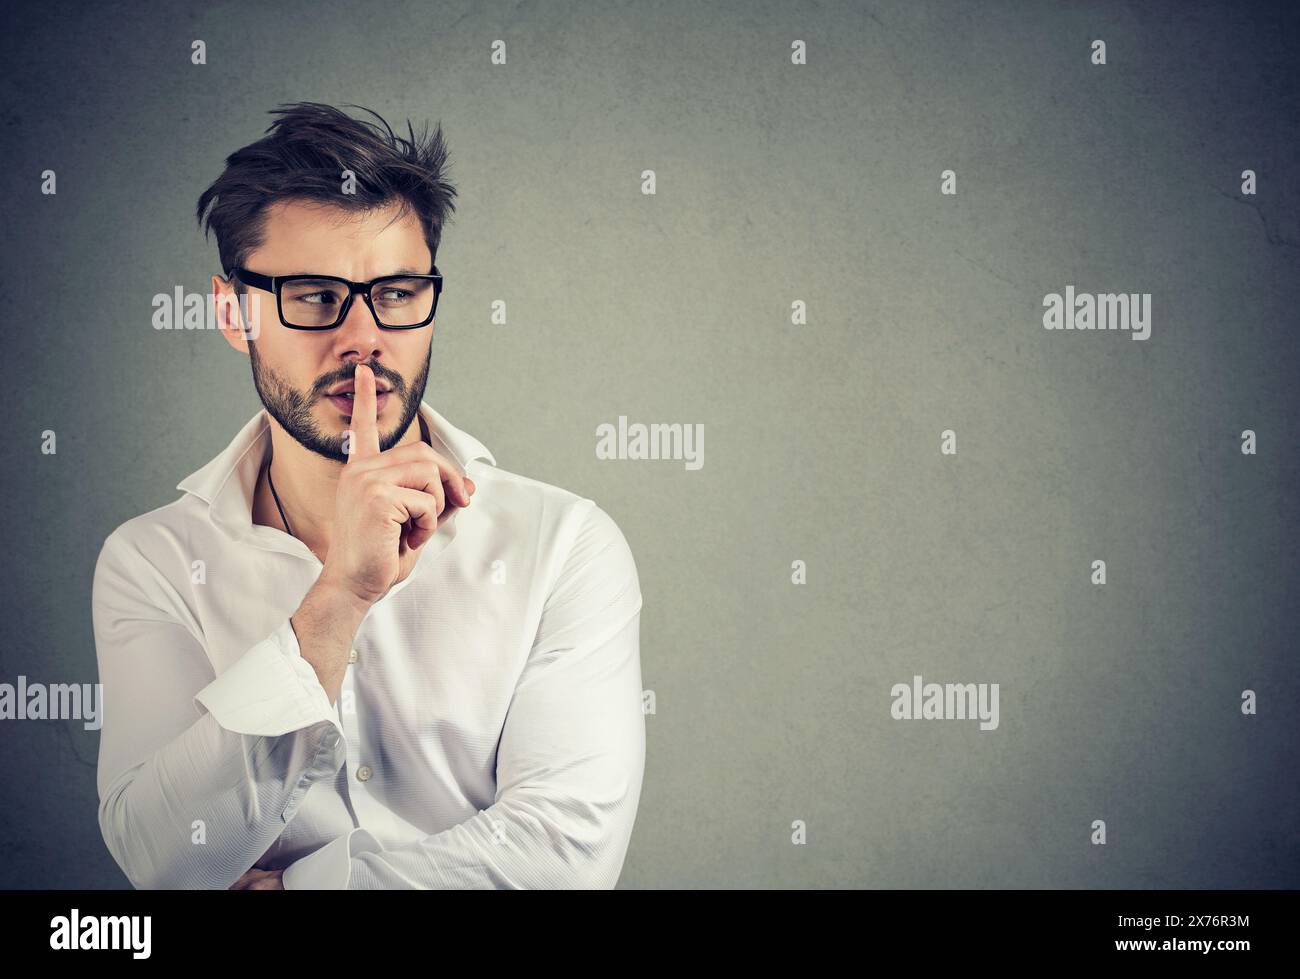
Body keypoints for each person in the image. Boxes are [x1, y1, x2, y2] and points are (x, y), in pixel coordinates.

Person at [91, 102, 645, 889]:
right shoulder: (153, 562)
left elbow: (563, 855)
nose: (365, 338)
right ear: (231, 311)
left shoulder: (563, 546)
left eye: (396, 293)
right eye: (315, 297)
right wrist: (337, 599)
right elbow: (164, 858)